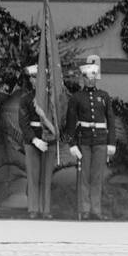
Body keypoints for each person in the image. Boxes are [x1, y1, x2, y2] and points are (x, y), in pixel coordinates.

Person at [65, 54, 116, 221]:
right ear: (83, 78)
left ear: (96, 77)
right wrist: (72, 144)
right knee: (84, 177)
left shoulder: (104, 96)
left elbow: (111, 121)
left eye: (93, 76)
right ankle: (85, 210)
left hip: (101, 140)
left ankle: (96, 210)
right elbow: (71, 123)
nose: (90, 80)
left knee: (97, 176)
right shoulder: (76, 98)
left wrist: (111, 143)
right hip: (84, 141)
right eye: (87, 77)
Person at [17, 63, 59, 219]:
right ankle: (33, 208)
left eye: (38, 77)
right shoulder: (26, 99)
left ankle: (45, 209)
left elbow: (57, 120)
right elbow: (23, 122)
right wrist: (34, 140)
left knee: (46, 176)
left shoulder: (52, 99)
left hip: (49, 139)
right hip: (33, 141)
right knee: (33, 176)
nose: (36, 81)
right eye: (33, 78)